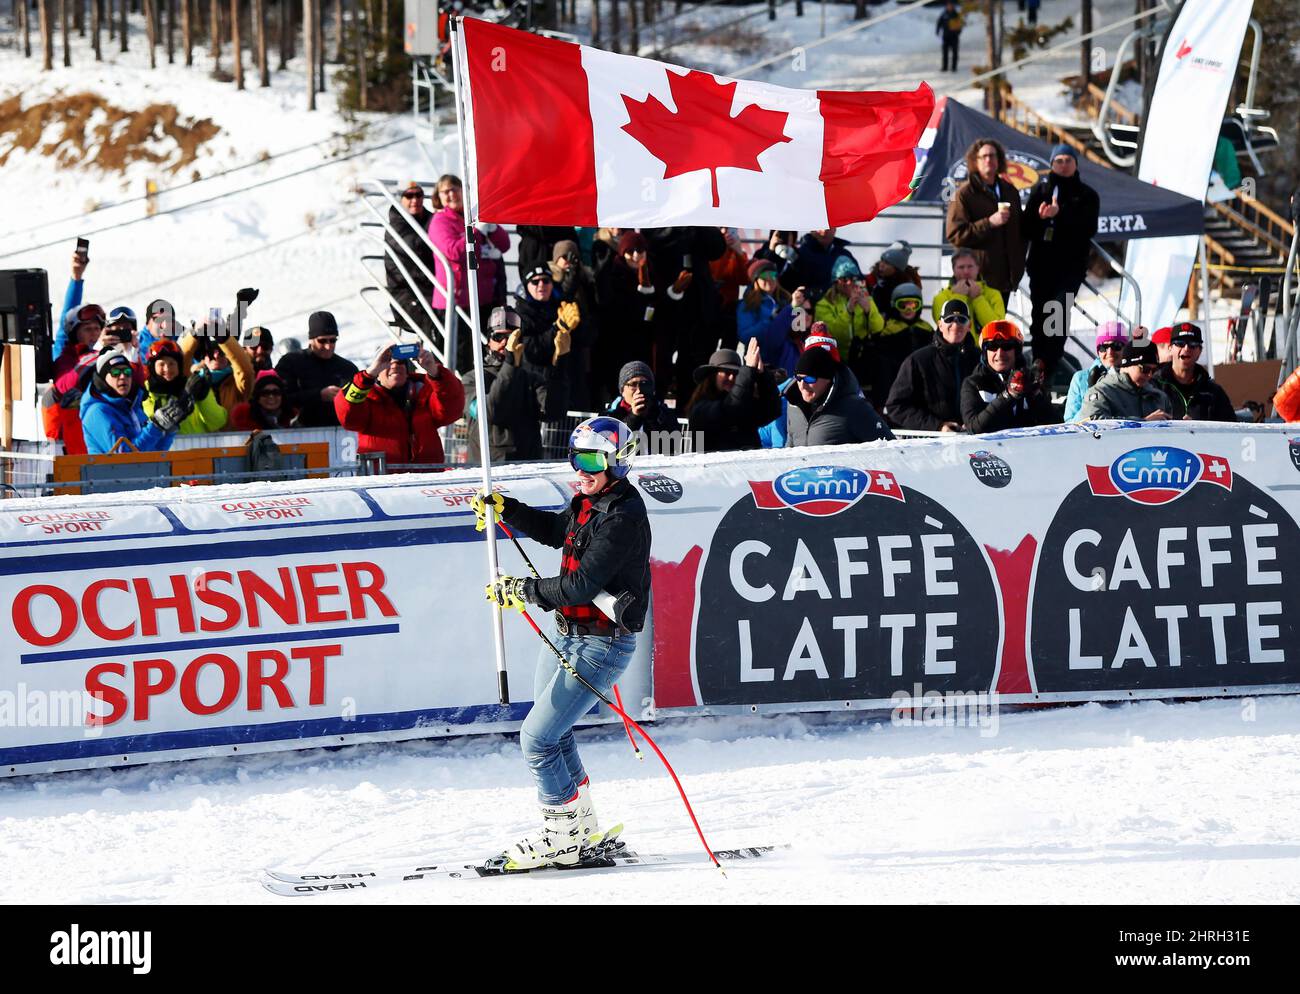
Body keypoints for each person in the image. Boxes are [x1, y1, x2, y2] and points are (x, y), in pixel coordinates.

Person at [474, 416, 651, 870]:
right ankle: (582, 827)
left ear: (619, 460)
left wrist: (522, 590)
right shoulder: (590, 502)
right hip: (566, 633)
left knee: (536, 739)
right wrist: (506, 508)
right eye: (575, 457)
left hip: (602, 643)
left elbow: (577, 586)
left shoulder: (623, 517)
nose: (581, 468)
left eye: (592, 459)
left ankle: (560, 835)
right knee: (551, 731)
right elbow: (558, 533)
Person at [1021, 145, 1100, 379]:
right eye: (1058, 161)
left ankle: (1050, 363)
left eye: (1067, 160)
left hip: (1069, 270)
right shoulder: (1041, 191)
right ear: (1051, 164)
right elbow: (1026, 228)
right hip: (1041, 267)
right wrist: (1040, 217)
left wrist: (1060, 215)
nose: (1063, 165)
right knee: (1039, 317)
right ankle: (1039, 362)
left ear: (1075, 164)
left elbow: (1088, 228)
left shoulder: (1087, 194)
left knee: (1057, 312)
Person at [462, 305, 568, 463]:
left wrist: (560, 365)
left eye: (512, 337)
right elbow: (489, 413)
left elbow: (553, 413)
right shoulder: (472, 379)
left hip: (527, 469)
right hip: (486, 473)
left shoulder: (532, 379)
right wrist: (511, 364)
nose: (505, 343)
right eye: (498, 337)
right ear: (488, 341)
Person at [335, 342, 465, 469]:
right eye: (387, 362)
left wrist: (435, 372)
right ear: (377, 373)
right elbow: (348, 418)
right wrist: (367, 376)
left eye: (400, 362)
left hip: (428, 480)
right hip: (380, 482)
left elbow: (452, 410)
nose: (394, 366)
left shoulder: (425, 392)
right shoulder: (367, 397)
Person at [428, 173, 511, 370]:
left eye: (454, 189)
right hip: (456, 303)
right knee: (463, 361)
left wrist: (492, 227)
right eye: (445, 191)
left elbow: (505, 244)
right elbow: (454, 252)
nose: (451, 195)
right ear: (438, 197)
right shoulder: (440, 221)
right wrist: (478, 232)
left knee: (486, 357)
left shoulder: (473, 216)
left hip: (483, 300)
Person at [946, 138, 1026, 302]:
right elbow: (955, 234)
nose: (989, 160)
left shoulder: (1010, 191)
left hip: (1005, 277)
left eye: (993, 156)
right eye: (984, 156)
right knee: (978, 327)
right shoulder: (964, 194)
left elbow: (1020, 230)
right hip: (977, 279)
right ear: (975, 161)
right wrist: (989, 223)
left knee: (997, 326)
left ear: (999, 160)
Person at [885, 299, 981, 432]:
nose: (955, 324)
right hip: (933, 443)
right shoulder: (918, 360)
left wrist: (976, 422)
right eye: (949, 319)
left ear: (969, 325)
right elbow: (896, 407)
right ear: (940, 325)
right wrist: (938, 426)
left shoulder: (981, 359)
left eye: (961, 319)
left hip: (976, 439)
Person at [784, 338, 894, 447]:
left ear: (827, 379)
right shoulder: (793, 406)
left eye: (810, 379)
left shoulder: (854, 408)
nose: (802, 385)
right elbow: (790, 449)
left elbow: (891, 449)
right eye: (798, 378)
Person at [79, 347, 188, 455]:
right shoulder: (98, 412)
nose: (122, 376)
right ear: (103, 379)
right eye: (115, 372)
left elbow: (154, 452)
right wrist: (156, 426)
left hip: (143, 471)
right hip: (111, 472)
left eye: (127, 371)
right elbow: (124, 455)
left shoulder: (133, 407)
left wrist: (169, 429)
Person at [592, 231, 658, 403]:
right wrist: (640, 297)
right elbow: (610, 307)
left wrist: (651, 294)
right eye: (630, 252)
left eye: (640, 251)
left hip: (642, 346)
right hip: (615, 345)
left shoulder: (652, 272)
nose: (636, 256)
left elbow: (658, 314)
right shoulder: (613, 273)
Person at [961, 320, 1056, 432]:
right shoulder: (973, 384)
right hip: (992, 449)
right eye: (992, 346)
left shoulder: (1029, 380)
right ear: (985, 352)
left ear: (1017, 351)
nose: (1000, 353)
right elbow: (974, 428)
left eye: (1006, 346)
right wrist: (1008, 395)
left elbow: (1056, 424)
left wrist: (1036, 396)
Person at [686, 342, 782, 452]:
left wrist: (762, 375)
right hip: (711, 467)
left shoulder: (743, 404)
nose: (731, 378)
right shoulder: (700, 408)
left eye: (736, 373)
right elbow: (732, 407)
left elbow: (772, 410)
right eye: (726, 373)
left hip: (745, 467)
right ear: (712, 376)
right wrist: (748, 369)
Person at [273, 311, 358, 427]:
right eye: (322, 341)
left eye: (332, 340)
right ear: (311, 339)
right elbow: (275, 399)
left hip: (340, 435)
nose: (328, 346)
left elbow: (359, 404)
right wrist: (318, 395)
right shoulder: (291, 362)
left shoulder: (347, 368)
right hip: (300, 434)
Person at [549, 240, 600, 411]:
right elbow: (560, 301)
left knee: (581, 391)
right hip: (559, 345)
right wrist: (570, 281)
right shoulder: (549, 280)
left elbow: (594, 308)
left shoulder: (585, 279)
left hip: (581, 345)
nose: (568, 261)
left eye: (573, 257)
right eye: (564, 257)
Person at [867, 282, 933, 411]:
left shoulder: (926, 329)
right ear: (894, 306)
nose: (908, 310)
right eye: (903, 305)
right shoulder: (887, 329)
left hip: (921, 384)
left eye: (913, 305)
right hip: (894, 381)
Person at [1152, 323, 1236, 421]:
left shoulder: (1213, 392)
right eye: (1180, 343)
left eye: (1193, 345)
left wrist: (1199, 428)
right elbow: (1133, 422)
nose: (1186, 348)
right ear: (1170, 348)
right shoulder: (1153, 386)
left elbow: (1229, 427)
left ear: (1200, 351)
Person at [142, 339, 229, 434]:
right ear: (152, 367)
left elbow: (218, 422)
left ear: (179, 366)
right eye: (161, 364)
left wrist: (204, 398)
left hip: (198, 445)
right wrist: (181, 402)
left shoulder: (192, 386)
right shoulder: (146, 392)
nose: (167, 369)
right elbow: (150, 420)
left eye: (172, 363)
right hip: (165, 447)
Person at [815, 255, 884, 372]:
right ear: (836, 281)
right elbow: (832, 334)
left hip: (862, 361)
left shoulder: (865, 299)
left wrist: (868, 310)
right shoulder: (824, 304)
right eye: (845, 279)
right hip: (835, 361)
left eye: (853, 279)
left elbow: (878, 328)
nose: (849, 283)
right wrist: (848, 311)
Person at [385, 180, 437, 335]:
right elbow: (414, 246)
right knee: (440, 317)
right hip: (407, 294)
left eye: (419, 194)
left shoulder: (431, 220)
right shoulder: (395, 226)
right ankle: (441, 359)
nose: (415, 200)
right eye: (409, 195)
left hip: (429, 289)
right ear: (400, 199)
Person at [1076, 341, 1172, 422]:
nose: (1150, 375)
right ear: (1127, 365)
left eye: (1154, 371)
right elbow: (1093, 426)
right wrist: (1143, 423)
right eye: (1145, 369)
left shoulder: (1159, 398)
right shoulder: (1101, 393)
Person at [181, 327, 255, 418]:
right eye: (211, 352)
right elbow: (181, 362)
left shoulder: (237, 385)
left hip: (233, 432)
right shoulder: (193, 380)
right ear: (203, 358)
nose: (216, 356)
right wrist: (194, 334)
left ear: (228, 357)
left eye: (221, 352)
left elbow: (245, 370)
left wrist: (225, 338)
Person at [737, 259, 797, 371]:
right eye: (764, 275)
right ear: (756, 280)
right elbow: (744, 335)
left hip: (786, 362)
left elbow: (799, 330)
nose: (769, 279)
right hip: (761, 362)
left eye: (773, 274)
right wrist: (770, 320)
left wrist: (801, 308)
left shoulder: (787, 300)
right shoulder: (747, 304)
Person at [931, 248, 1005, 336]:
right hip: (955, 348)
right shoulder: (941, 297)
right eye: (961, 267)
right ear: (953, 270)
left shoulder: (993, 294)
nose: (966, 271)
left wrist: (978, 299)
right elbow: (945, 329)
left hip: (985, 348)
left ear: (978, 268)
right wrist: (958, 296)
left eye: (970, 266)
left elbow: (997, 328)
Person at [1063, 322, 1128, 421]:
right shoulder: (1080, 378)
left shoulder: (1134, 376)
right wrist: (1092, 396)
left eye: (1116, 346)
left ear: (1126, 349)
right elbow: (1070, 422)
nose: (1110, 352)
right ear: (1098, 351)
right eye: (1103, 348)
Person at [604, 361, 680, 437]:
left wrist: (650, 416)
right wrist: (634, 417)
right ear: (622, 390)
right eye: (633, 384)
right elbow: (611, 445)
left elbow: (670, 445)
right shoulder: (609, 416)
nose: (639, 390)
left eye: (644, 384)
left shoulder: (664, 414)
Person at [779, 228, 859, 298]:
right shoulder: (799, 255)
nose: (824, 231)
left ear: (835, 229)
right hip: (809, 309)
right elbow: (787, 286)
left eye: (828, 227)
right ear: (811, 229)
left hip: (845, 309)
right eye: (820, 227)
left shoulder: (844, 254)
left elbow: (860, 281)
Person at [709, 227, 751, 349]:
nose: (725, 233)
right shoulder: (710, 248)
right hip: (710, 305)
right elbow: (715, 276)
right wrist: (720, 246)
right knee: (707, 347)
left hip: (730, 307)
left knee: (729, 346)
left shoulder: (737, 252)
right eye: (722, 228)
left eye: (729, 230)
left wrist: (738, 252)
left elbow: (745, 279)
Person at [865, 240, 923, 316]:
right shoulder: (872, 279)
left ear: (896, 269)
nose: (881, 265)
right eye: (882, 260)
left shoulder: (907, 285)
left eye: (887, 263)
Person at [936, 0, 963, 72]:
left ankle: (954, 68)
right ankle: (944, 67)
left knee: (955, 53)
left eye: (951, 5)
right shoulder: (944, 14)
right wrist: (937, 31)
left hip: (954, 37)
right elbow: (939, 23)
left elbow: (960, 25)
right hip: (945, 37)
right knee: (945, 53)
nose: (949, 7)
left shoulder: (956, 14)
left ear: (953, 6)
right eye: (948, 5)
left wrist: (958, 32)